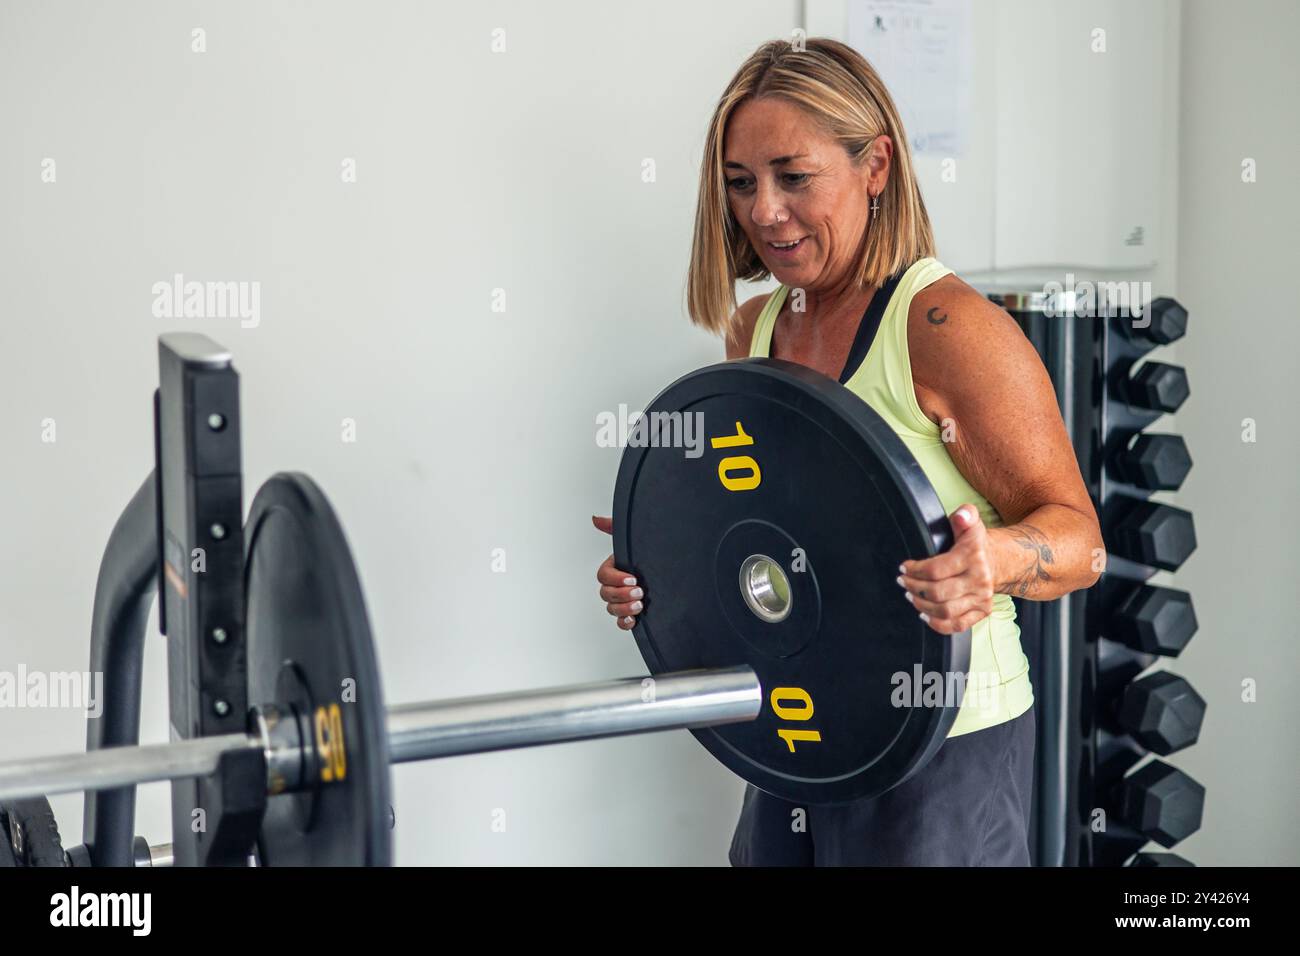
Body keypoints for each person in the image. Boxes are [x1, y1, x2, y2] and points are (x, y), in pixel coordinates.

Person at [593, 37, 1102, 865]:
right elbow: (771, 547)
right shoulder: (753, 331)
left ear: (876, 167)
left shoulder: (944, 328)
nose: (764, 210)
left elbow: (1082, 542)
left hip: (944, 740)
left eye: (794, 177)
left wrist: (993, 561)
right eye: (740, 182)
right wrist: (661, 564)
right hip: (803, 727)